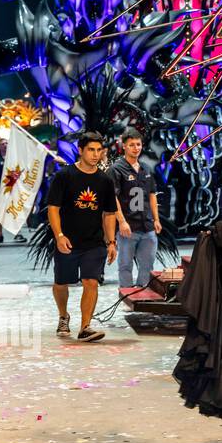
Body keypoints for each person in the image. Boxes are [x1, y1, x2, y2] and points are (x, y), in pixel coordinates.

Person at [46, 132, 118, 342]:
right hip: (67, 240)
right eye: (91, 150)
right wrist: (59, 236)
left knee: (91, 281)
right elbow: (53, 209)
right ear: (80, 150)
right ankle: (63, 315)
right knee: (61, 283)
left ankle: (85, 326)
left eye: (99, 151)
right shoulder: (64, 176)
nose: (96, 155)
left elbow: (109, 214)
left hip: (94, 242)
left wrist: (111, 242)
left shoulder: (104, 181)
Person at [108, 128, 161, 292]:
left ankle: (143, 295)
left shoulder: (146, 168)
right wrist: (121, 222)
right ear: (124, 146)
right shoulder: (116, 169)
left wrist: (156, 219)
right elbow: (112, 198)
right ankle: (126, 296)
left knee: (147, 265)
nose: (136, 148)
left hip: (147, 227)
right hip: (128, 228)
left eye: (138, 144)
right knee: (125, 266)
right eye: (132, 145)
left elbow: (152, 195)